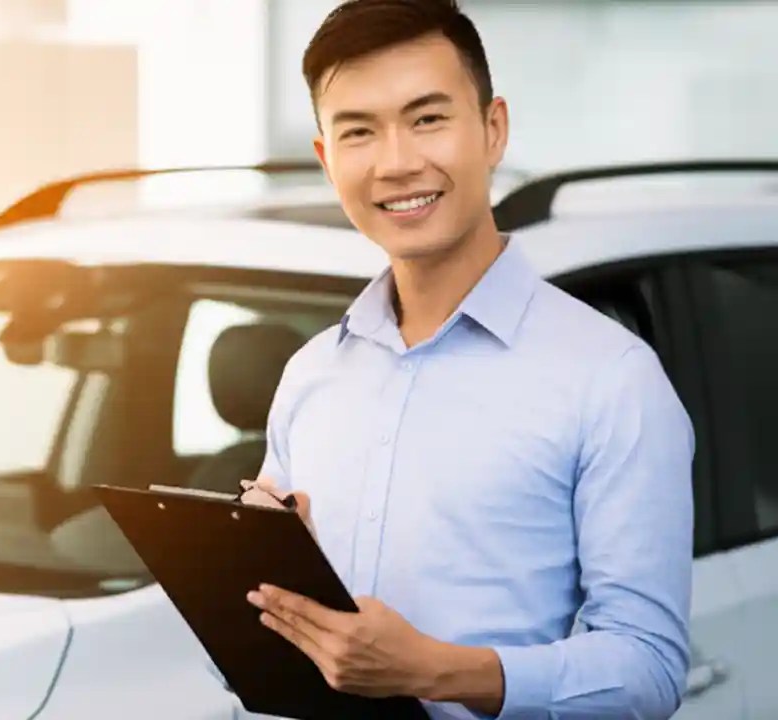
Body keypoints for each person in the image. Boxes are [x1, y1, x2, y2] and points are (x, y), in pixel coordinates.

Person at [237, 1, 695, 718]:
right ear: (328, 160)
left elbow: (648, 668)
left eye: (427, 119)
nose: (396, 162)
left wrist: (432, 670)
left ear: (492, 129)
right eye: (359, 131)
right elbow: (259, 642)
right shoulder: (312, 375)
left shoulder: (611, 379)